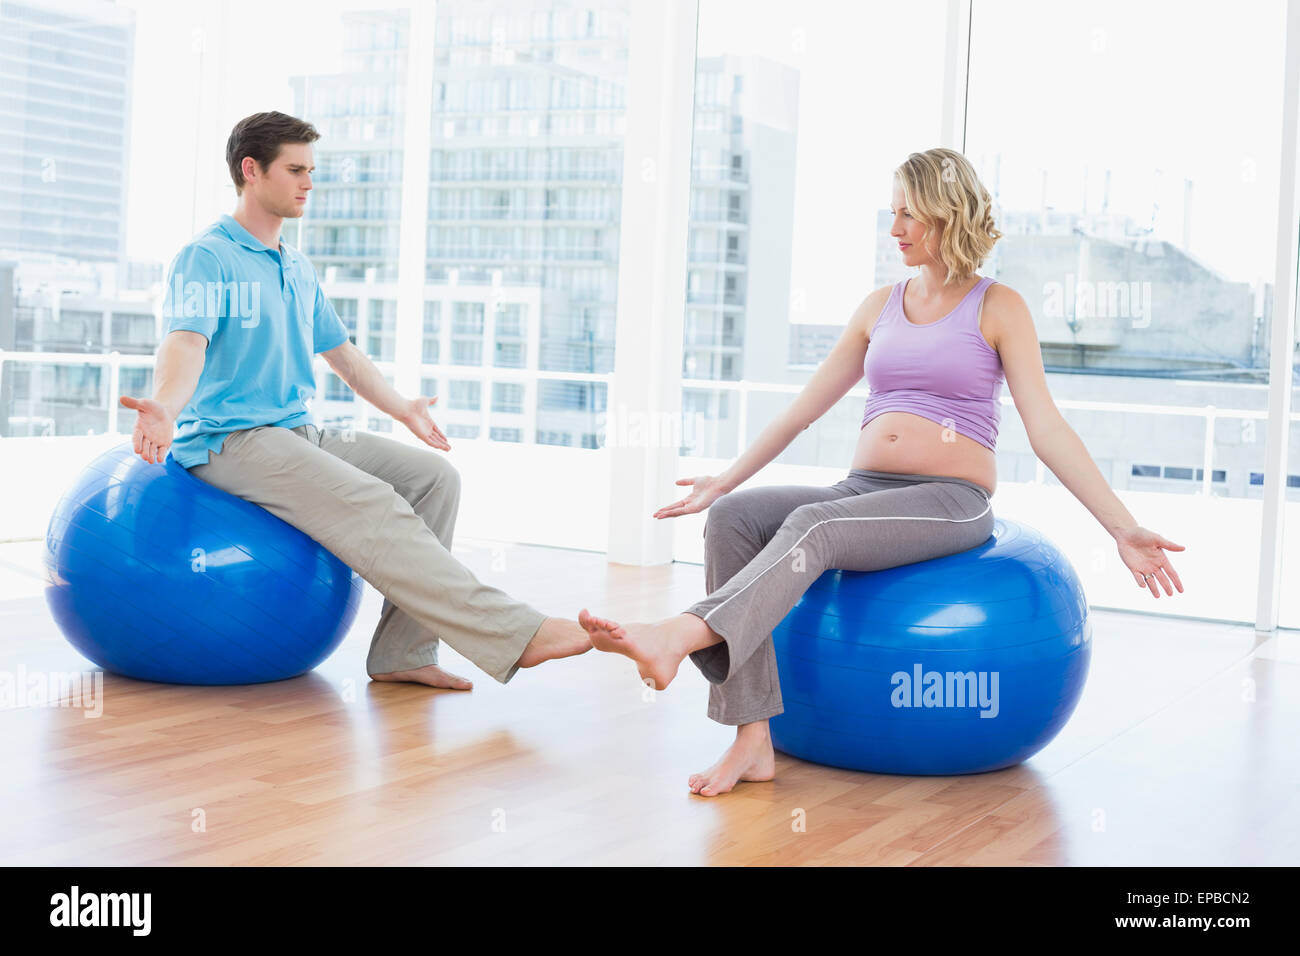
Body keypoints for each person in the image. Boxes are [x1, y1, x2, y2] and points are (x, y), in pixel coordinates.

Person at [578, 147, 1186, 797]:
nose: (894, 230)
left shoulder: (997, 306)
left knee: (815, 526)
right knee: (734, 520)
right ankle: (752, 738)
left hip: (950, 500)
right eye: (891, 214)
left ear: (947, 215)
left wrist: (1121, 528)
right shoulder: (879, 306)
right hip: (864, 491)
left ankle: (681, 634)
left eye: (909, 216)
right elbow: (801, 411)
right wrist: (724, 482)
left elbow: (1048, 429)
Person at [120, 110, 591, 690]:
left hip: (296, 432)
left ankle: (403, 654)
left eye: (311, 170)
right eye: (295, 169)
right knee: (372, 500)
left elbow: (342, 352)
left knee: (434, 478)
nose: (309, 184)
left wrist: (403, 409)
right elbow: (186, 341)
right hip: (231, 440)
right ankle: (515, 633)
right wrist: (166, 406)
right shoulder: (207, 257)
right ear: (251, 170)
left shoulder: (295, 264)